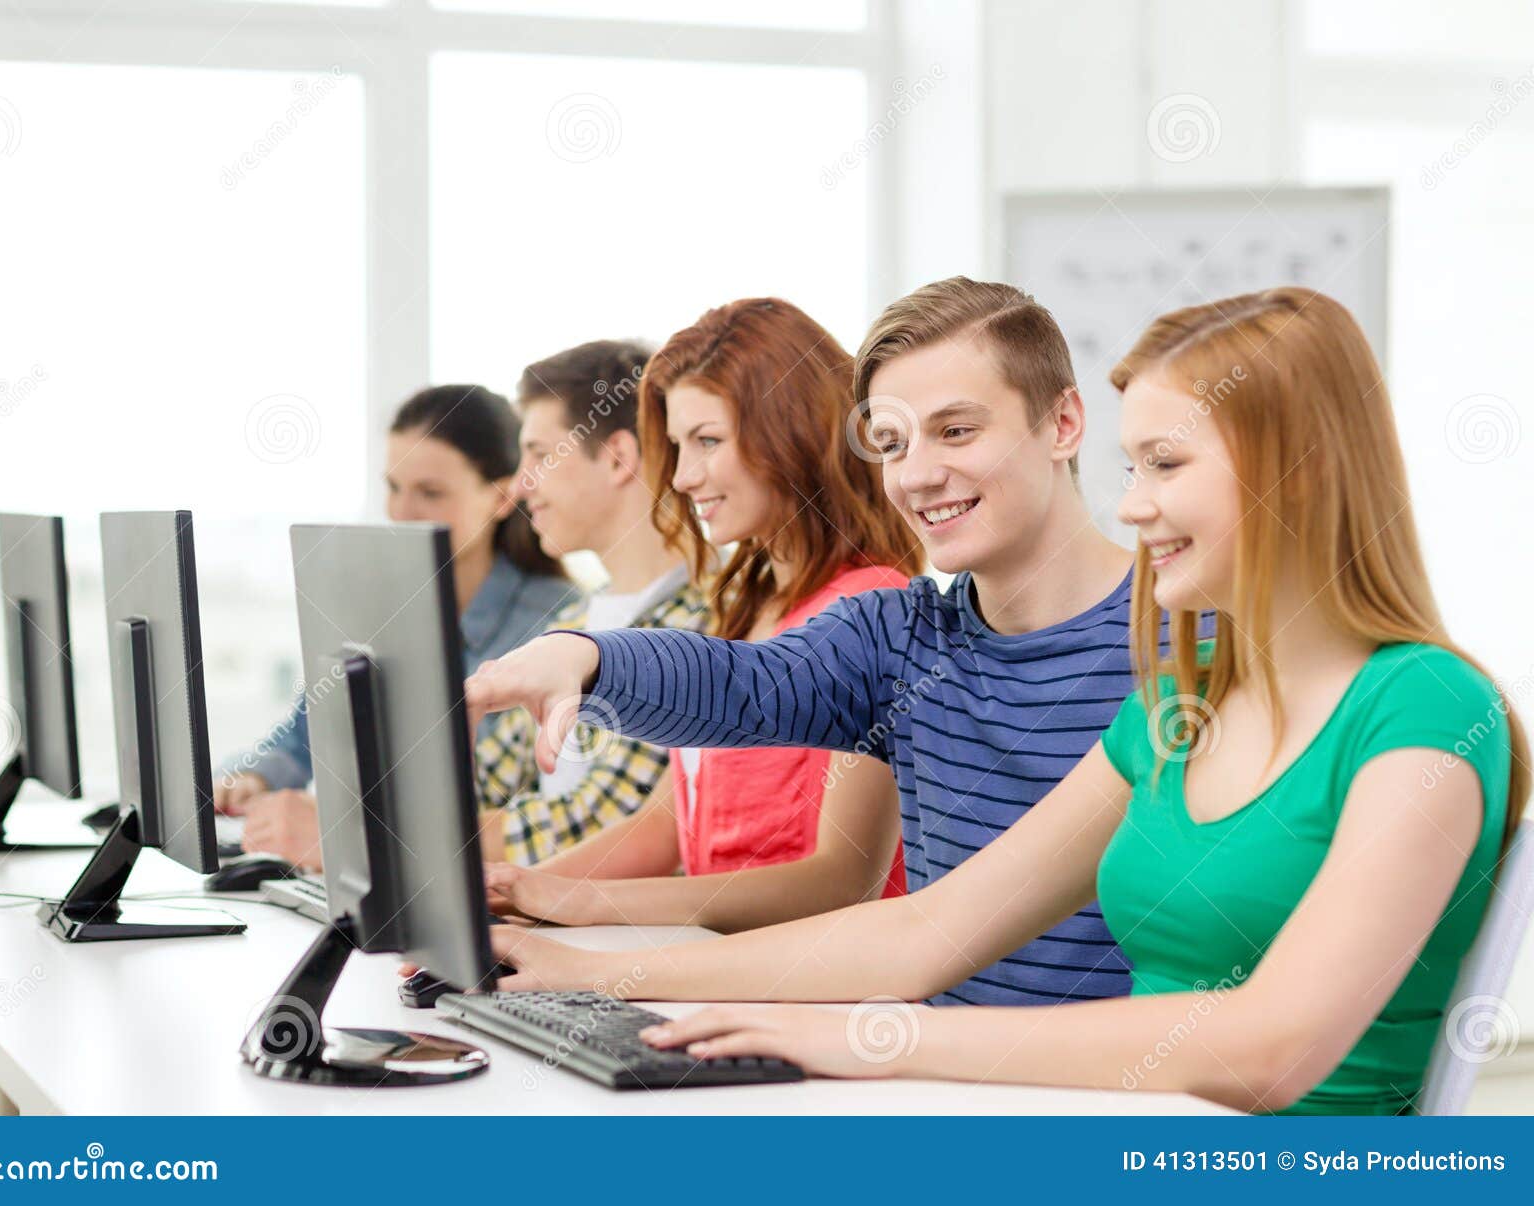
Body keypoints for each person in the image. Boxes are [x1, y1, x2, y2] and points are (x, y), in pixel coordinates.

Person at [477, 287, 1528, 1116]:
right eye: (890, 444)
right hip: (1047, 1118)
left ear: (1289, 475)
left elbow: (1269, 1048)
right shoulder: (1175, 702)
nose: (1133, 502)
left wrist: (876, 1039)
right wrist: (600, 974)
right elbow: (921, 925)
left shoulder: (1406, 701)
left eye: (1164, 462)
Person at [463, 276, 1143, 1006]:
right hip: (941, 1079)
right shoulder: (899, 637)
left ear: (1064, 423)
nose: (915, 474)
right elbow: (741, 683)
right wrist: (584, 658)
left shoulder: (1194, 642)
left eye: (956, 430)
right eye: (890, 443)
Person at [481, 299, 921, 930]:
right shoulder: (742, 608)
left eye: (708, 441)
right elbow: (667, 827)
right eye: (678, 446)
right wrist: (511, 895)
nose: (683, 478)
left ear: (791, 432)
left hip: (812, 994)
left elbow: (844, 880)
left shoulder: (876, 603)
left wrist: (573, 905)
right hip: (720, 969)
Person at [217, 384, 579, 869]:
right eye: (393, 487)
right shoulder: (376, 606)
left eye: (430, 492)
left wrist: (337, 826)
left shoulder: (559, 624)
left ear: (499, 499)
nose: (401, 513)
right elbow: (305, 734)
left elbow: (499, 800)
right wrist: (254, 779)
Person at [473, 339, 707, 866]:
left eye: (538, 453)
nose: (519, 484)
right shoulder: (574, 621)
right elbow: (488, 777)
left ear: (618, 458)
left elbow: (596, 825)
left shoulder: (710, 624)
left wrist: (396, 842)